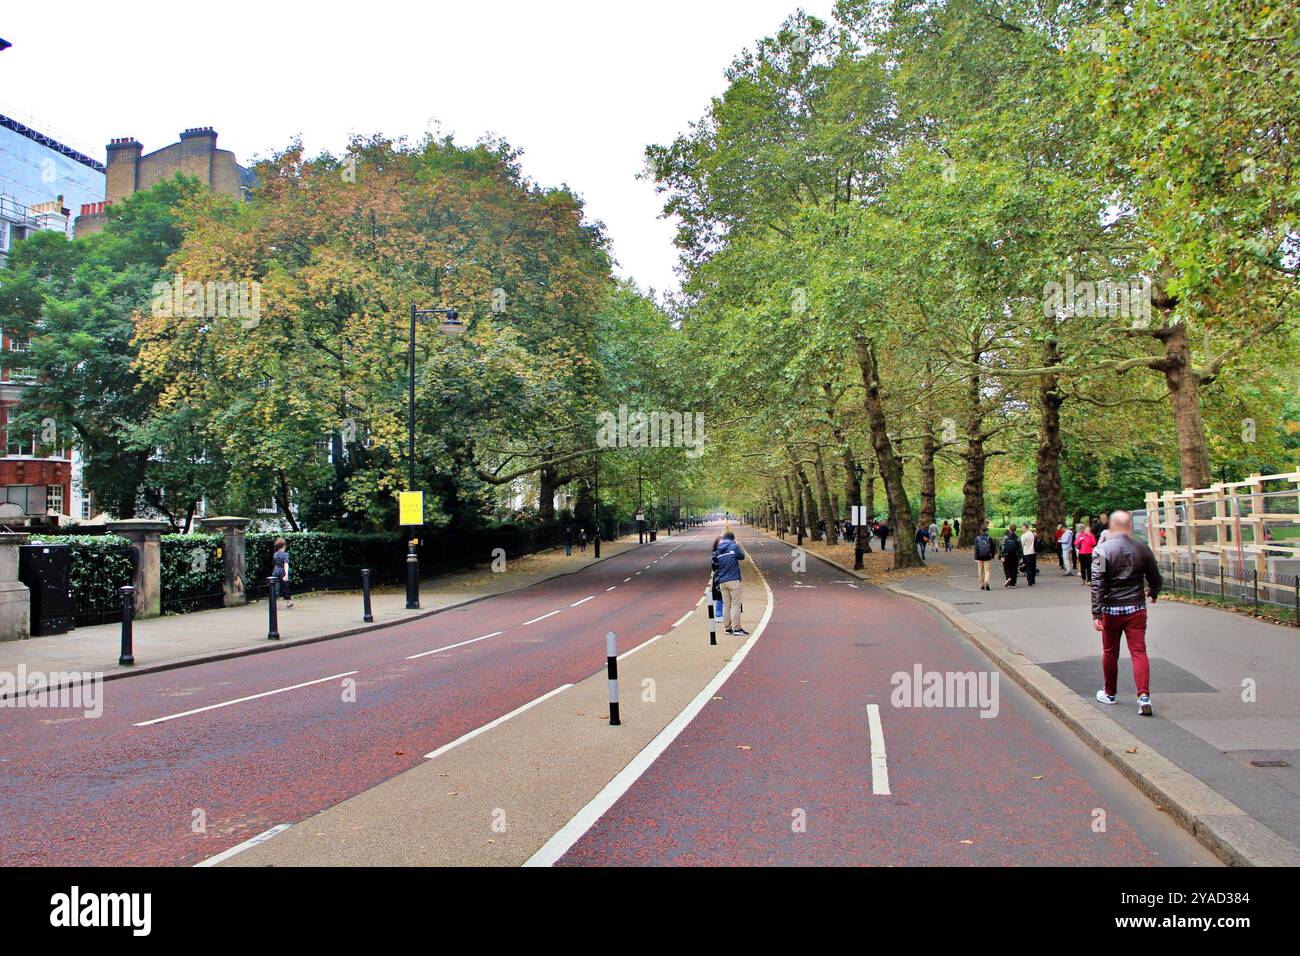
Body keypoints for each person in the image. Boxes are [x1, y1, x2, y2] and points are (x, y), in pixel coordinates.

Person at [1091, 511, 1162, 716]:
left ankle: (1110, 693)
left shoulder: (1102, 551)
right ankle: (1143, 696)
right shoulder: (1142, 549)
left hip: (1111, 610)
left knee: (1110, 652)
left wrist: (1096, 613)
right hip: (1136, 608)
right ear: (1129, 526)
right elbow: (1155, 577)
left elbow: (1098, 583)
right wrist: (1154, 593)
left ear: (1112, 527)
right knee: (1138, 652)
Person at [713, 531, 748, 636]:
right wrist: (737, 544)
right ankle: (737, 628)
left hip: (722, 581)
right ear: (732, 539)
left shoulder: (718, 549)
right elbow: (742, 557)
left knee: (726, 605)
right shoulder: (733, 546)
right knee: (736, 604)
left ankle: (728, 629)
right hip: (733, 580)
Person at [973, 523, 997, 590]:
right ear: (986, 530)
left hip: (979, 557)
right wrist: (992, 555)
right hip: (987, 556)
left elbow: (976, 548)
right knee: (987, 571)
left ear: (980, 530)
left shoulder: (977, 538)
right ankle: (986, 582)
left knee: (980, 571)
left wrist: (976, 557)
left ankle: (982, 584)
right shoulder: (989, 538)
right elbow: (993, 548)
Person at [272, 537, 293, 608]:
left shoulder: (275, 554)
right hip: (283, 572)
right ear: (284, 545)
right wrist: (286, 574)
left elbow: (275, 563)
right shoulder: (285, 554)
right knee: (286, 587)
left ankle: (276, 604)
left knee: (276, 587)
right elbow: (286, 564)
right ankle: (288, 603)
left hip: (275, 571)